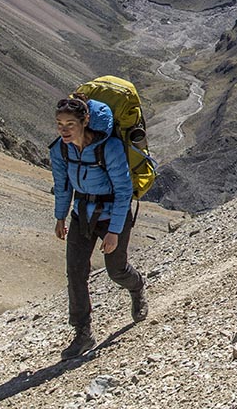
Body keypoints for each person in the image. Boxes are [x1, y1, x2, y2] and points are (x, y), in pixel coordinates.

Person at [51, 94, 148, 360]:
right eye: (60, 124)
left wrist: (114, 231)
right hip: (81, 214)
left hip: (110, 216)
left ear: (85, 121)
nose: (64, 130)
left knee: (116, 270)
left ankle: (137, 286)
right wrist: (60, 217)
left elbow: (124, 190)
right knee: (75, 272)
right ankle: (83, 333)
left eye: (70, 123)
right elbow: (62, 186)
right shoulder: (59, 149)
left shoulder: (110, 147)